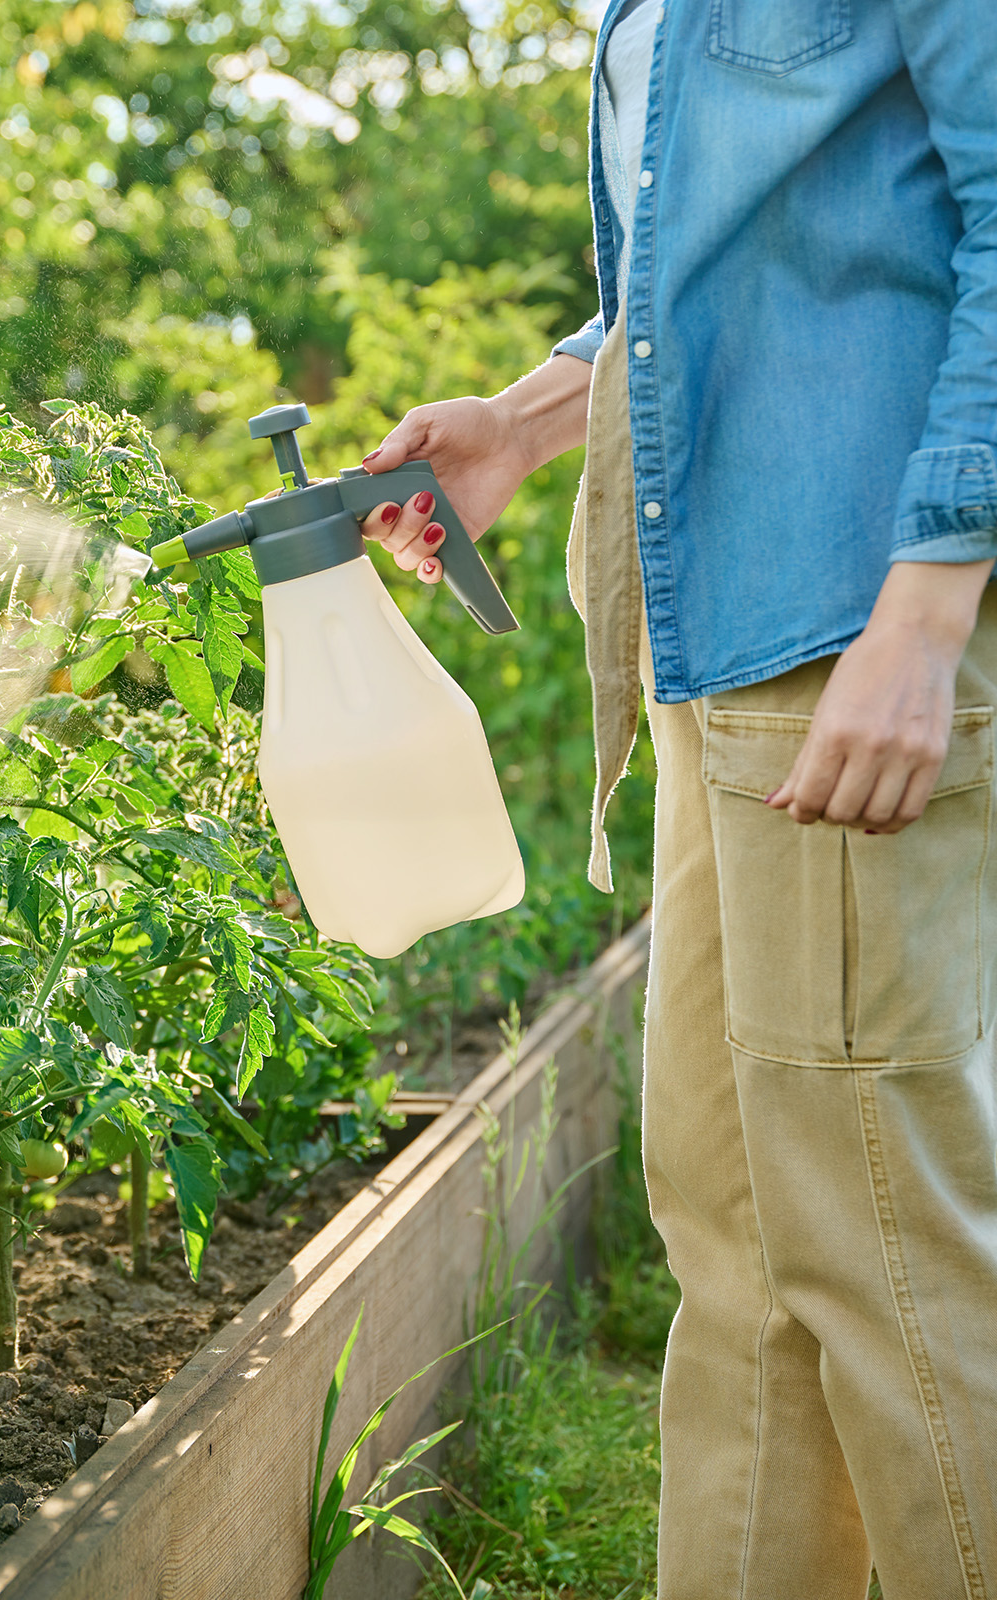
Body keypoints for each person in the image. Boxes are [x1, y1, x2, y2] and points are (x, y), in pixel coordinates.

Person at [355, 2, 997, 1594]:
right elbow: (737, 260)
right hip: (721, 638)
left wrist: (925, 615)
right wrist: (528, 417)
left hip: (850, 638)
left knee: (883, 1248)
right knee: (740, 1233)